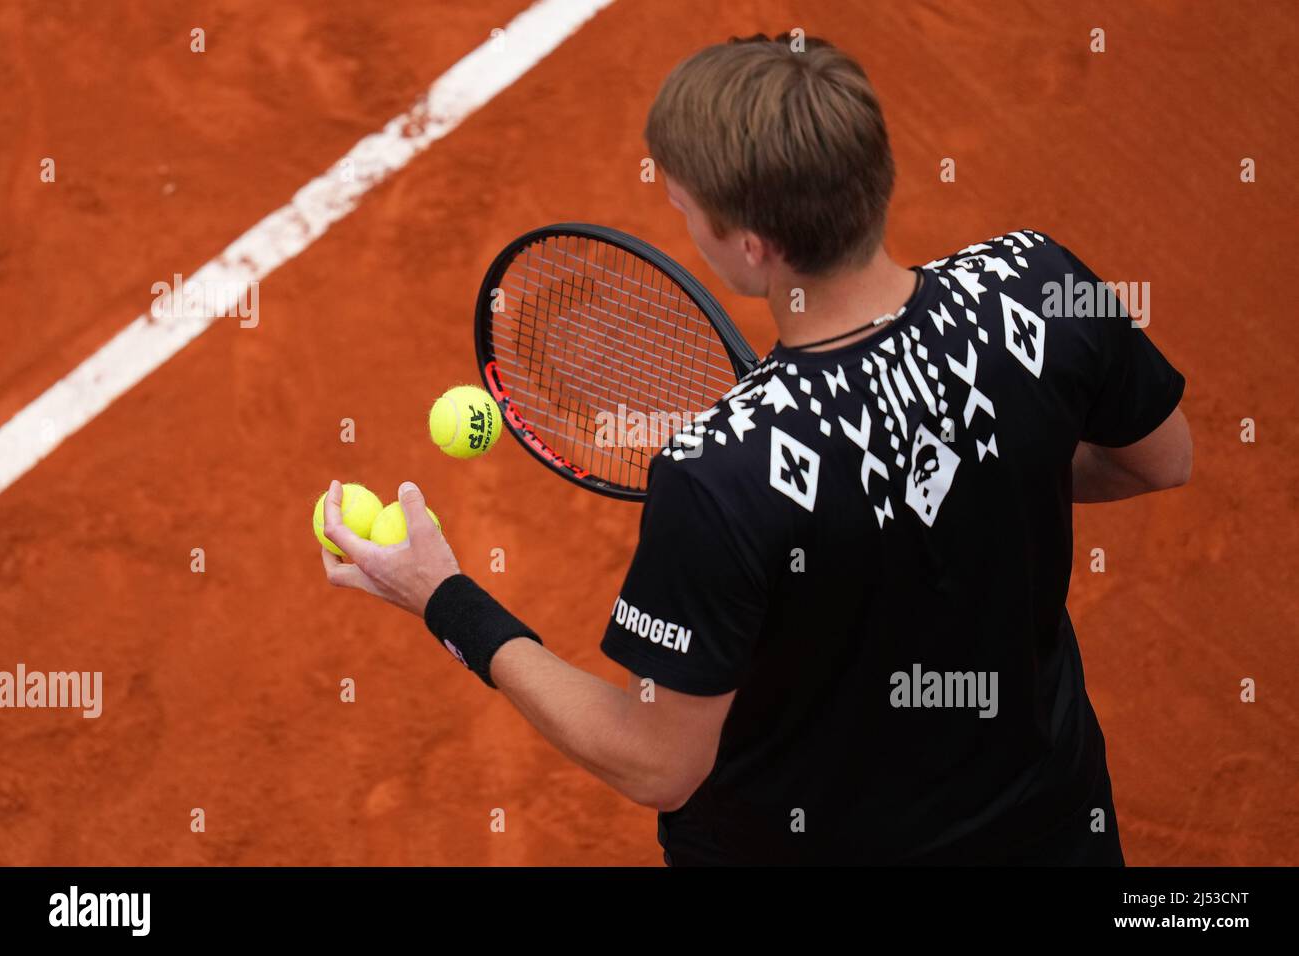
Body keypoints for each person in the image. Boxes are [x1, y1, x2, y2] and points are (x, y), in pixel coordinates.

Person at [319, 34, 1191, 865]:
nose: (679, 216)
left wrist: (446, 601)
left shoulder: (721, 471)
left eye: (684, 204)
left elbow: (659, 763)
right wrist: (983, 469)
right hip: (1054, 830)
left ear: (752, 247)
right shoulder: (1038, 286)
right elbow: (1162, 459)